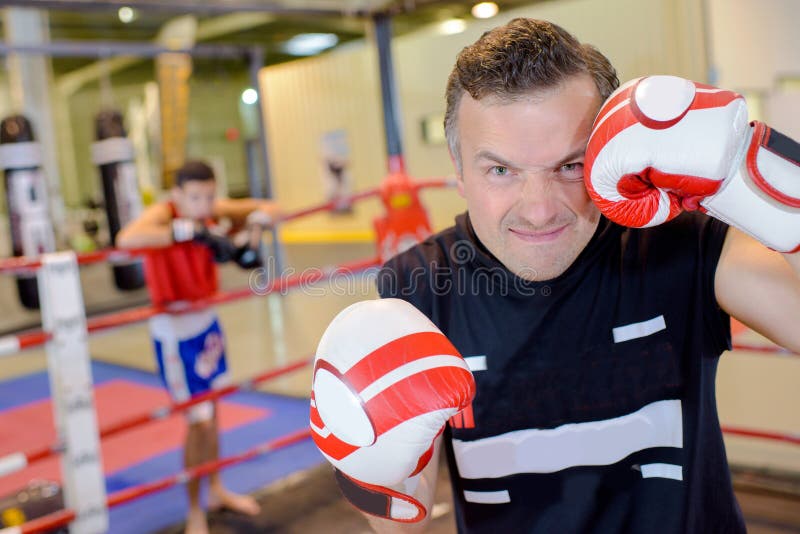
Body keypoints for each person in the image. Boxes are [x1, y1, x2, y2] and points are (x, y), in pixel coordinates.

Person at [309, 18, 800, 533]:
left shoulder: (679, 243)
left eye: (570, 166)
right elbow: (400, 525)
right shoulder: (420, 290)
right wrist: (366, 460)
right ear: (458, 169)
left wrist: (751, 173)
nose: (540, 210)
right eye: (501, 170)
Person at [116, 159, 280, 534]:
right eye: (195, 198)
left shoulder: (210, 207)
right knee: (198, 423)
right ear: (177, 195)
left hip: (207, 323)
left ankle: (217, 489)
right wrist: (187, 231)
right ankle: (194, 510)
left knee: (214, 412)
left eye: (209, 196)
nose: (204, 205)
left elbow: (272, 207)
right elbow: (126, 239)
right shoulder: (164, 214)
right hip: (175, 333)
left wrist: (254, 221)